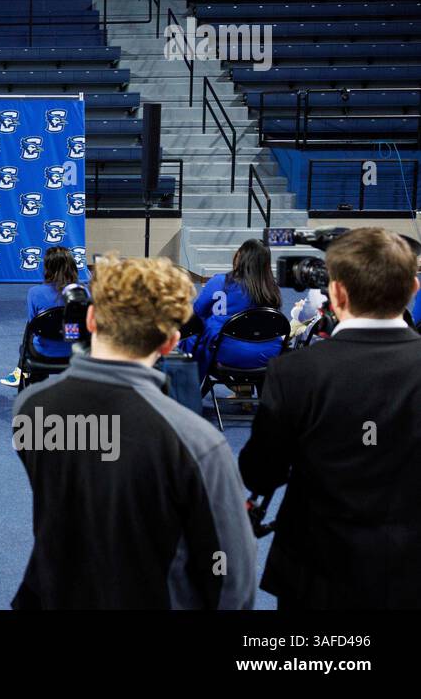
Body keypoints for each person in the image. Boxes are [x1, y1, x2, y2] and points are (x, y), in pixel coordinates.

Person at [13, 255, 256, 609]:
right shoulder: (196, 441)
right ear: (170, 342)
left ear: (92, 319)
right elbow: (233, 577)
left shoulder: (31, 409)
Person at [239, 227, 421, 609]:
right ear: (413, 289)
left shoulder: (295, 372)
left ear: (336, 293)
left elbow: (259, 473)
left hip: (316, 573)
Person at [178, 238, 284, 381]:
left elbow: (197, 312)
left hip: (230, 351)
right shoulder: (271, 288)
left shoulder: (220, 282)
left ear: (240, 257)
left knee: (195, 335)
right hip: (269, 354)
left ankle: (186, 385)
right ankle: (243, 387)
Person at [1, 246, 77, 387]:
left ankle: (33, 389)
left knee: (31, 326)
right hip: (75, 352)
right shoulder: (83, 292)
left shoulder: (35, 292)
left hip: (43, 352)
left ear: (47, 268)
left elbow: (33, 326)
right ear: (72, 266)